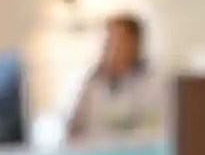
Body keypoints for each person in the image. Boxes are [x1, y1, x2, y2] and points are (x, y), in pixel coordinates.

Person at [67, 14, 165, 143]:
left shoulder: (154, 81)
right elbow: (73, 127)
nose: (112, 48)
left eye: (119, 41)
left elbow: (154, 130)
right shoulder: (93, 81)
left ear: (135, 43)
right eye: (109, 41)